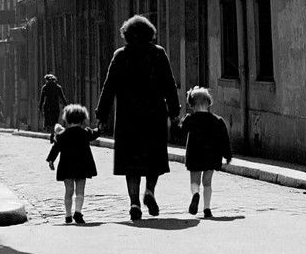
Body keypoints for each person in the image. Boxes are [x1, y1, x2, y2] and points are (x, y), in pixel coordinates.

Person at [95, 14, 180, 220]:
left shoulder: (120, 55)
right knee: (154, 158)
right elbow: (169, 84)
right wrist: (174, 112)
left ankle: (134, 202)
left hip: (127, 117)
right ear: (149, 33)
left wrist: (102, 115)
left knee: (130, 162)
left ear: (127, 34)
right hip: (154, 116)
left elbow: (109, 87)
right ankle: (149, 192)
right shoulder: (158, 53)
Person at [179, 86, 232, 219]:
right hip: (212, 155)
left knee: (195, 181)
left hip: (194, 154)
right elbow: (224, 139)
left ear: (192, 105)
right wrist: (227, 155)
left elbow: (180, 133)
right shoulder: (217, 121)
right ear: (208, 103)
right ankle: (207, 208)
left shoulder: (190, 119)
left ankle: (195, 194)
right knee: (207, 182)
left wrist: (180, 122)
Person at [46, 104, 99, 223]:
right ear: (82, 119)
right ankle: (78, 212)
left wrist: (51, 160)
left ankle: (68, 215)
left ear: (67, 119)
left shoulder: (62, 135)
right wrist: (100, 127)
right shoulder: (85, 132)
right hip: (82, 165)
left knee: (68, 191)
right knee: (80, 190)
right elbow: (95, 133)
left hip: (66, 166)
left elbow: (55, 148)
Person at [39, 73, 67, 138]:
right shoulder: (58, 87)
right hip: (55, 106)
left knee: (48, 120)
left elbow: (42, 99)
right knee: (55, 121)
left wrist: (40, 107)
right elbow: (62, 97)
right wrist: (65, 105)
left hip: (48, 107)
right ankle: (53, 133)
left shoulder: (45, 87)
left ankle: (51, 132)